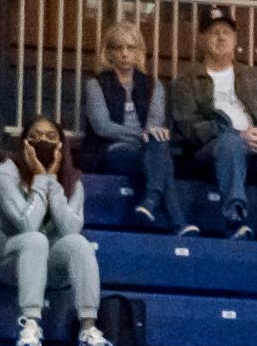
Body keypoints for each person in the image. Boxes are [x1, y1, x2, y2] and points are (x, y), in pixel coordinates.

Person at [167, 13, 257, 242]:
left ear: (235, 40)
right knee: (230, 143)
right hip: (212, 152)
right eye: (214, 33)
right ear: (201, 40)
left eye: (226, 33)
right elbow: (189, 128)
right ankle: (235, 220)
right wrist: (237, 135)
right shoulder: (186, 81)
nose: (221, 38)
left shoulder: (256, 78)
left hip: (256, 149)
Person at [0, 115, 109, 346]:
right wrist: (41, 178)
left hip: (43, 261)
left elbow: (70, 229)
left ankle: (88, 328)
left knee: (79, 243)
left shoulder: (72, 180)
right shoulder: (5, 174)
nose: (43, 141)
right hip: (1, 258)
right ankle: (30, 324)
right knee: (35, 239)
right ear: (24, 143)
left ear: (62, 145)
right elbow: (27, 224)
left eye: (51, 137)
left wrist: (52, 182)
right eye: (35, 136)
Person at [81, 21, 190, 234]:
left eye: (130, 48)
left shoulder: (154, 85)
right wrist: (143, 134)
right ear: (109, 52)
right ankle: (173, 217)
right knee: (160, 153)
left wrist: (150, 135)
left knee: (159, 144)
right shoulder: (95, 83)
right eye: (118, 48)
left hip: (146, 150)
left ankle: (152, 203)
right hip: (110, 150)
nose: (124, 53)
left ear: (139, 52)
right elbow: (103, 127)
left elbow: (154, 125)